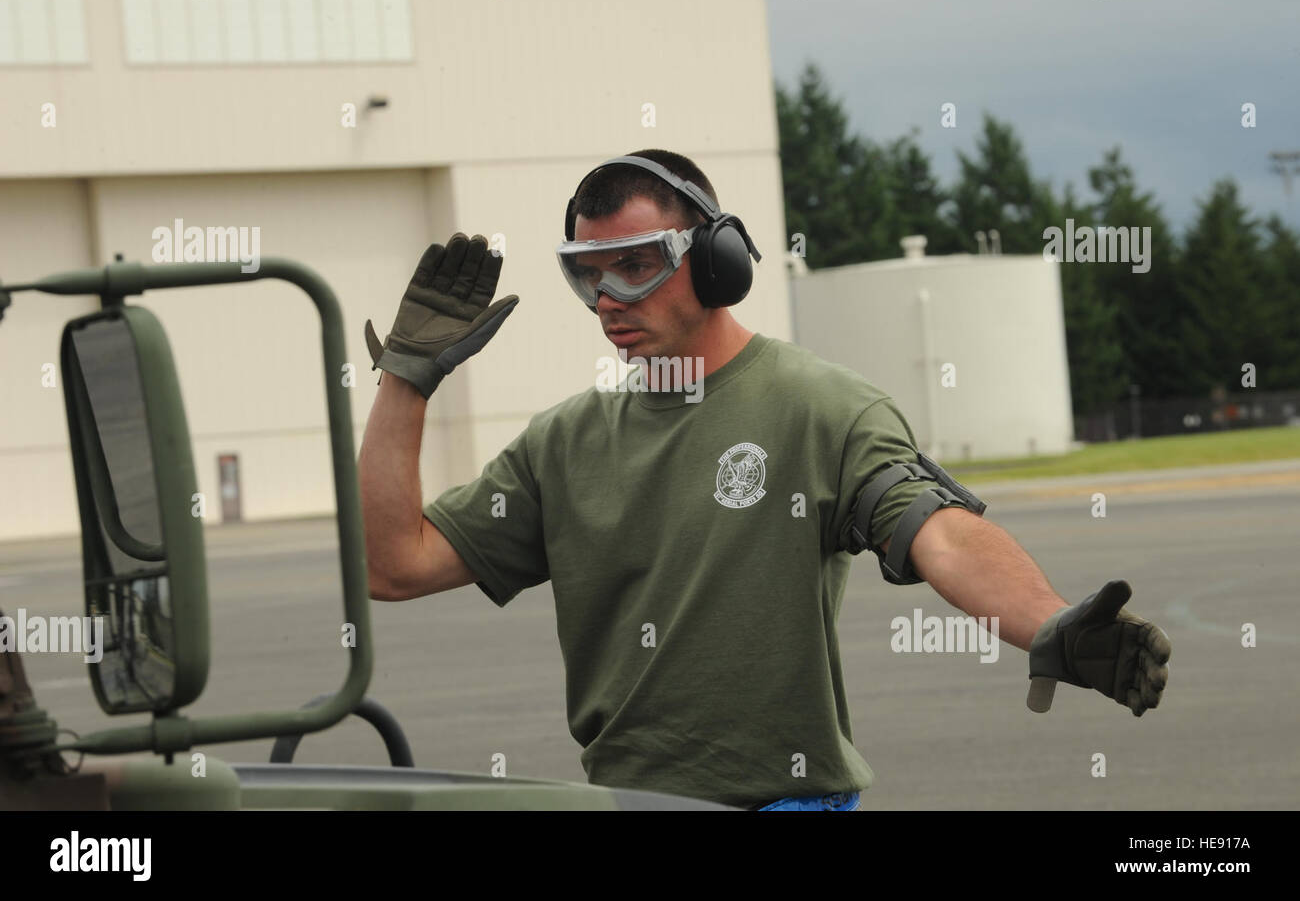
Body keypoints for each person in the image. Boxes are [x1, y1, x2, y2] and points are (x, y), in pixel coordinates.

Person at [358, 149, 1172, 811]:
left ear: (716, 262)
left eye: (636, 266)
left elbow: (938, 529)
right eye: (589, 273)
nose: (608, 299)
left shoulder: (818, 406)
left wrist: (1047, 622)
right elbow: (392, 564)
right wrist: (406, 381)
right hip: (622, 803)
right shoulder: (563, 442)